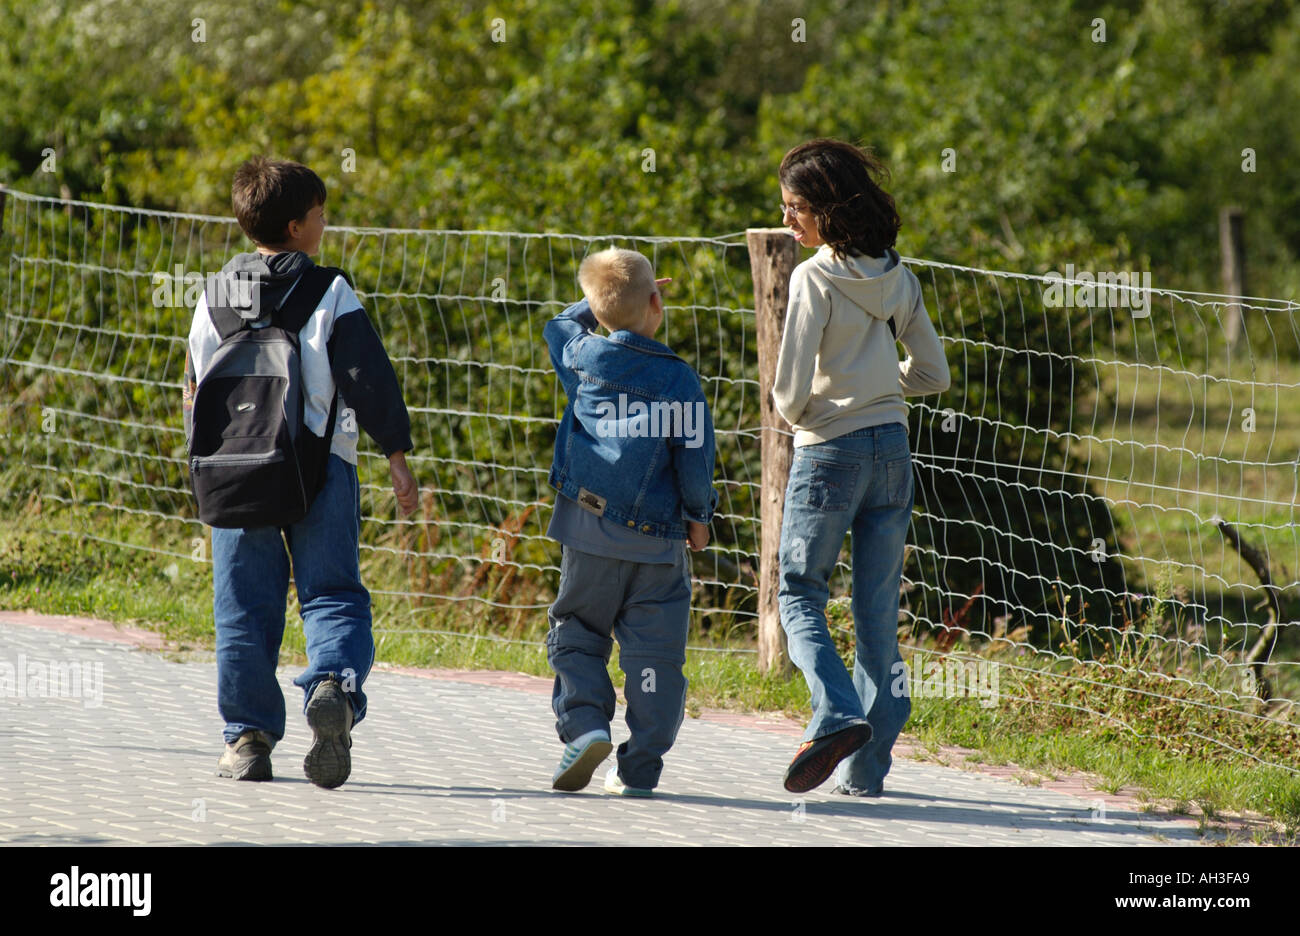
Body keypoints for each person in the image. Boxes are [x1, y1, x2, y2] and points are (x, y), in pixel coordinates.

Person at [183, 157, 418, 788]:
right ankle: (334, 684)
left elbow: (195, 391)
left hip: (234, 474)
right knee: (332, 592)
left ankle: (248, 739)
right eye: (319, 214)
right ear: (296, 227)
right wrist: (396, 453)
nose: (325, 222)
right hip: (321, 470)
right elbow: (367, 376)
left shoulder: (212, 295)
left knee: (242, 607)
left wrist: (206, 472)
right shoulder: (329, 290)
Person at [772, 139, 950, 795]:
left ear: (826, 210)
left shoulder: (813, 277)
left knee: (799, 594)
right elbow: (933, 373)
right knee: (877, 617)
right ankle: (867, 770)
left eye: (795, 208)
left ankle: (836, 712)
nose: (788, 220)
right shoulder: (899, 276)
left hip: (829, 453)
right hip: (892, 452)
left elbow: (789, 394)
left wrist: (818, 407)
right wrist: (881, 383)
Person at [542, 247, 718, 796]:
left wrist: (600, 302)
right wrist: (699, 518)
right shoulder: (680, 381)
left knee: (578, 633)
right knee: (655, 659)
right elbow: (695, 456)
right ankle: (639, 766)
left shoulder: (581, 355)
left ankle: (587, 724)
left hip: (587, 536)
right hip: (657, 546)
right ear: (657, 303)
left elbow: (559, 322)